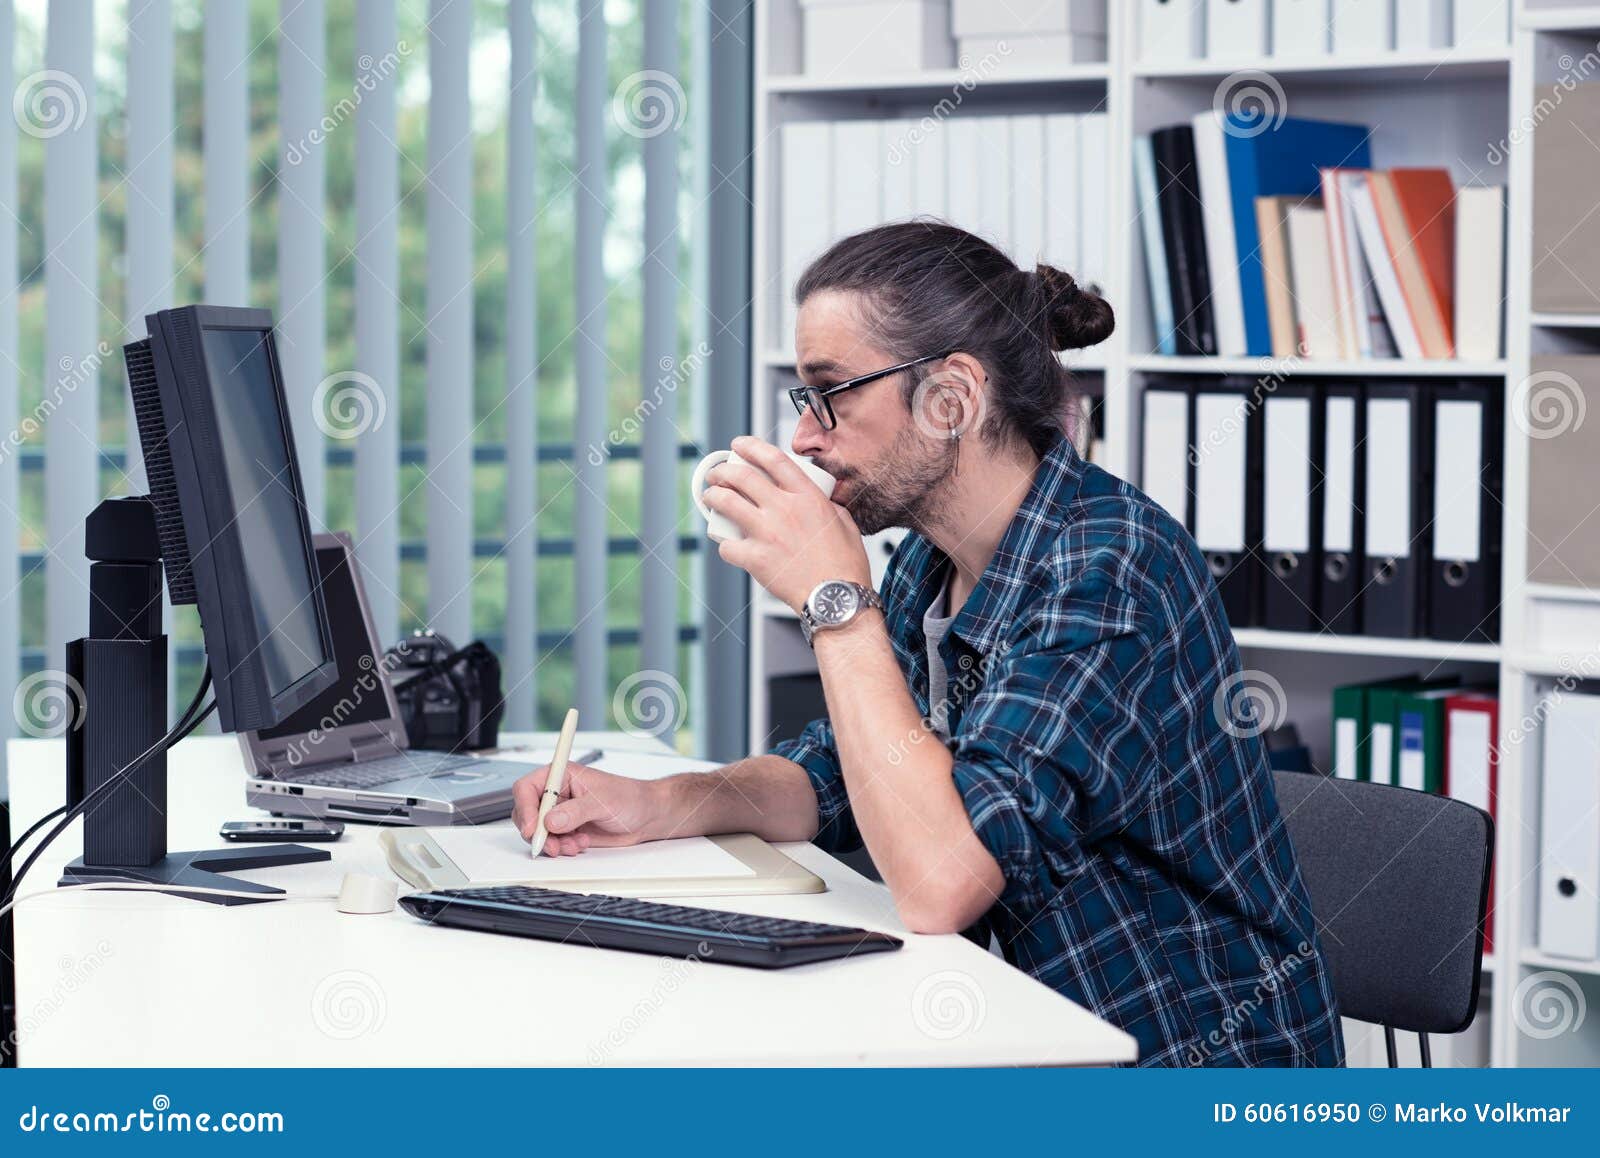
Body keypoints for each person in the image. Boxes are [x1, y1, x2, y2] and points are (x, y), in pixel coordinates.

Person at [512, 221, 1344, 1067]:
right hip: (1010, 1024)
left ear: (951, 399)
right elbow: (841, 776)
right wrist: (662, 803)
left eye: (831, 392)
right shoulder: (928, 560)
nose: (805, 437)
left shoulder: (1113, 566)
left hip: (1176, 1062)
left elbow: (945, 879)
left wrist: (837, 605)